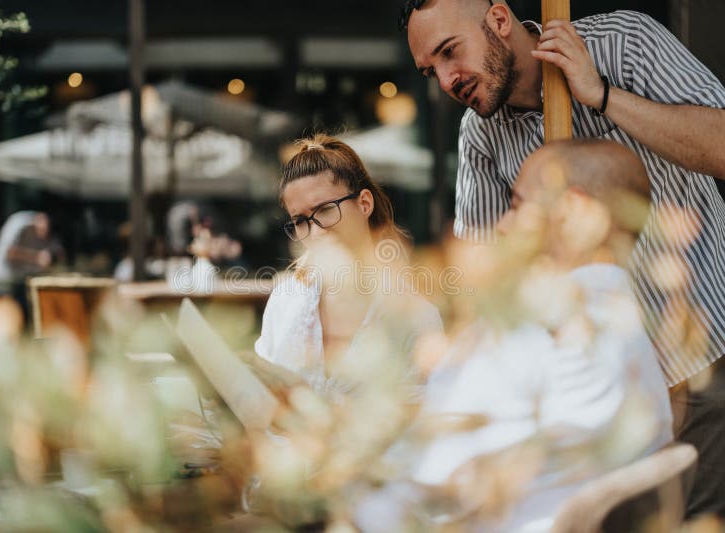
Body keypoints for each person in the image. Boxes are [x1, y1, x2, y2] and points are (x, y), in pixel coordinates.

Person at [401, 0, 725, 516]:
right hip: (593, 392)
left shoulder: (625, 43)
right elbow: (480, 275)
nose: (445, 80)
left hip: (705, 357)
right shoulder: (481, 133)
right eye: (430, 69)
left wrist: (602, 96)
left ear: (499, 21)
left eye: (449, 52)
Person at [354, 139, 674, 532]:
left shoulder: (541, 333)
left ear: (575, 214)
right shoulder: (622, 321)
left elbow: (428, 479)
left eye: (517, 205)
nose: (503, 225)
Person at [254, 134, 443, 403]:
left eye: (325, 210)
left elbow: (422, 424)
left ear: (365, 203)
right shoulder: (284, 300)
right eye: (300, 220)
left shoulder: (415, 316)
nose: (315, 232)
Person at [0, 211, 65, 313]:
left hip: (22, 282)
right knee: (6, 315)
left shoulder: (47, 229)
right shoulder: (19, 224)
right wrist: (37, 258)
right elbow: (9, 253)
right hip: (3, 280)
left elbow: (58, 252)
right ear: (39, 218)